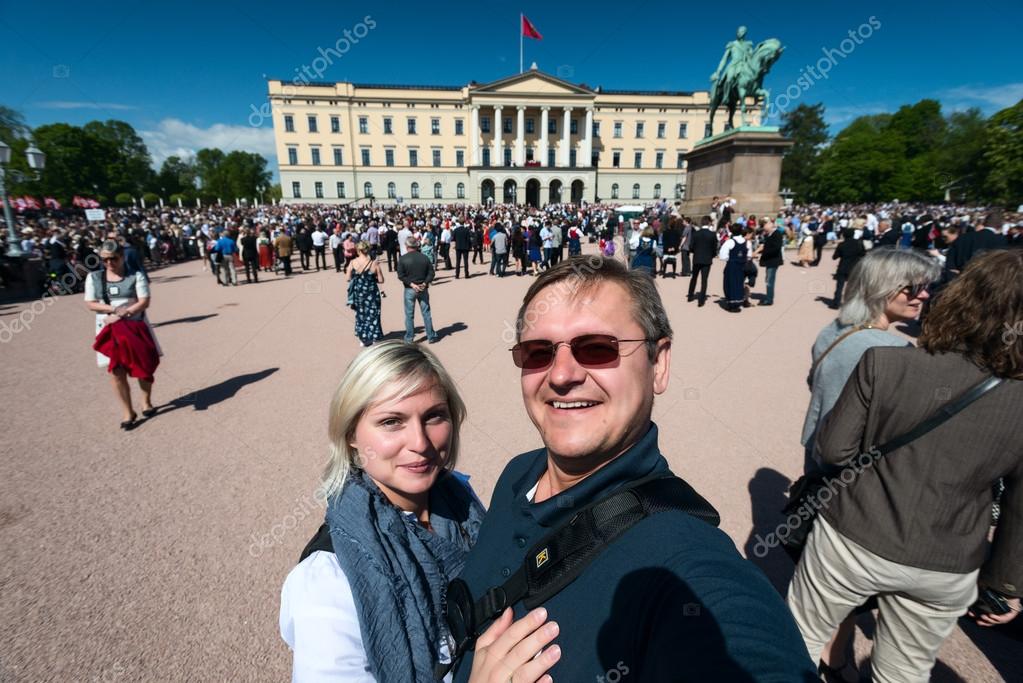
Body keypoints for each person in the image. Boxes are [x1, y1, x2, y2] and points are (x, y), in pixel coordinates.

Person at [452, 257, 818, 682]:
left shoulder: (683, 561)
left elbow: (748, 647)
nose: (562, 374)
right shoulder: (518, 473)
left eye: (597, 348)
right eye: (538, 352)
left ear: (658, 363)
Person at [788, 249, 1023, 683]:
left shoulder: (888, 361)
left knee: (796, 638)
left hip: (856, 533)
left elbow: (836, 450)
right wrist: (1006, 585)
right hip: (947, 556)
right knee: (904, 672)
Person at [280, 342, 562, 682]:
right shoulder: (328, 580)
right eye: (391, 421)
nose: (420, 442)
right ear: (351, 432)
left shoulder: (458, 500)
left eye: (434, 416)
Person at [797, 247, 939, 681]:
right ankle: (831, 659)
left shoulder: (834, 331)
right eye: (913, 287)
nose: (924, 295)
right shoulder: (891, 350)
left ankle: (835, 657)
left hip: (820, 464)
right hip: (860, 478)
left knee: (832, 583)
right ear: (882, 290)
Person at [84, 240, 161, 430]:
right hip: (109, 329)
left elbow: (144, 302)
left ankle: (146, 401)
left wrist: (119, 314)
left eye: (114, 259)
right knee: (116, 370)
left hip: (135, 326)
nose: (109, 263)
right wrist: (113, 309)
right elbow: (91, 303)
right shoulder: (94, 277)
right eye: (105, 259)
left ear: (122, 257)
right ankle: (128, 411)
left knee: (143, 365)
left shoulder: (136, 276)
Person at [398, 237, 438, 344]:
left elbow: (401, 275)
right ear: (416, 246)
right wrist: (425, 283)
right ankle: (431, 336)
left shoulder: (402, 259)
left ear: (407, 247)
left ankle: (409, 338)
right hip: (422, 287)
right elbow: (431, 273)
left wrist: (411, 284)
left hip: (410, 288)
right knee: (426, 313)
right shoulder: (424, 258)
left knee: (409, 315)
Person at [346, 242, 385, 347]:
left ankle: (363, 338)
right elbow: (381, 280)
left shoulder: (352, 262)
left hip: (359, 293)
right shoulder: (374, 263)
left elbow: (348, 278)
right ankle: (375, 336)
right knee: (374, 314)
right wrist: (374, 278)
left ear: (358, 250)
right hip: (372, 293)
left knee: (361, 315)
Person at [830, 227, 866, 309]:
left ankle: (836, 303)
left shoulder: (842, 244)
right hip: (854, 267)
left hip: (843, 267)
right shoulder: (859, 243)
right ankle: (851, 304)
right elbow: (863, 254)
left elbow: (834, 257)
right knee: (853, 287)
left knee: (839, 287)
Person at [687, 217, 717, 306]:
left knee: (694, 277)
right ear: (709, 223)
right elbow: (714, 248)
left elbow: (691, 246)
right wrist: (712, 255)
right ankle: (701, 300)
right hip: (707, 259)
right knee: (704, 280)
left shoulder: (696, 234)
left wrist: (695, 252)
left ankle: (690, 295)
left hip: (697, 258)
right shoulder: (712, 234)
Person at [719, 223, 749, 312]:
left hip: (732, 265)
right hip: (742, 265)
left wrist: (730, 259)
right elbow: (748, 254)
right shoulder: (745, 241)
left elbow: (722, 256)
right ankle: (738, 301)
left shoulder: (730, 242)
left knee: (730, 283)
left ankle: (732, 304)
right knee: (739, 283)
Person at [756, 217, 784, 306]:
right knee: (768, 279)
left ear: (770, 225)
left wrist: (763, 252)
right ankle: (769, 297)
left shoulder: (777, 234)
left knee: (769, 280)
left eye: (764, 225)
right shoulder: (769, 234)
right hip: (770, 260)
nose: (764, 227)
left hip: (773, 261)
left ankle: (769, 300)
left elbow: (775, 248)